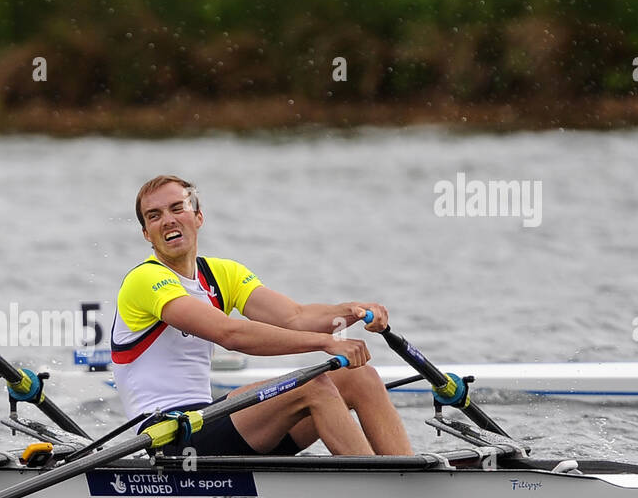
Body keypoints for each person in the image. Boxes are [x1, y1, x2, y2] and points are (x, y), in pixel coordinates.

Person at [111, 175, 413, 456]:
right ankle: (376, 484)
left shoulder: (222, 273)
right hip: (170, 438)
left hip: (212, 423)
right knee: (313, 385)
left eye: (178, 208)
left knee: (358, 376)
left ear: (198, 217)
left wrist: (354, 312)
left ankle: (410, 477)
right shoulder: (145, 280)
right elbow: (230, 334)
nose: (168, 220)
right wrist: (326, 343)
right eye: (155, 216)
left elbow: (295, 317)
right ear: (146, 235)